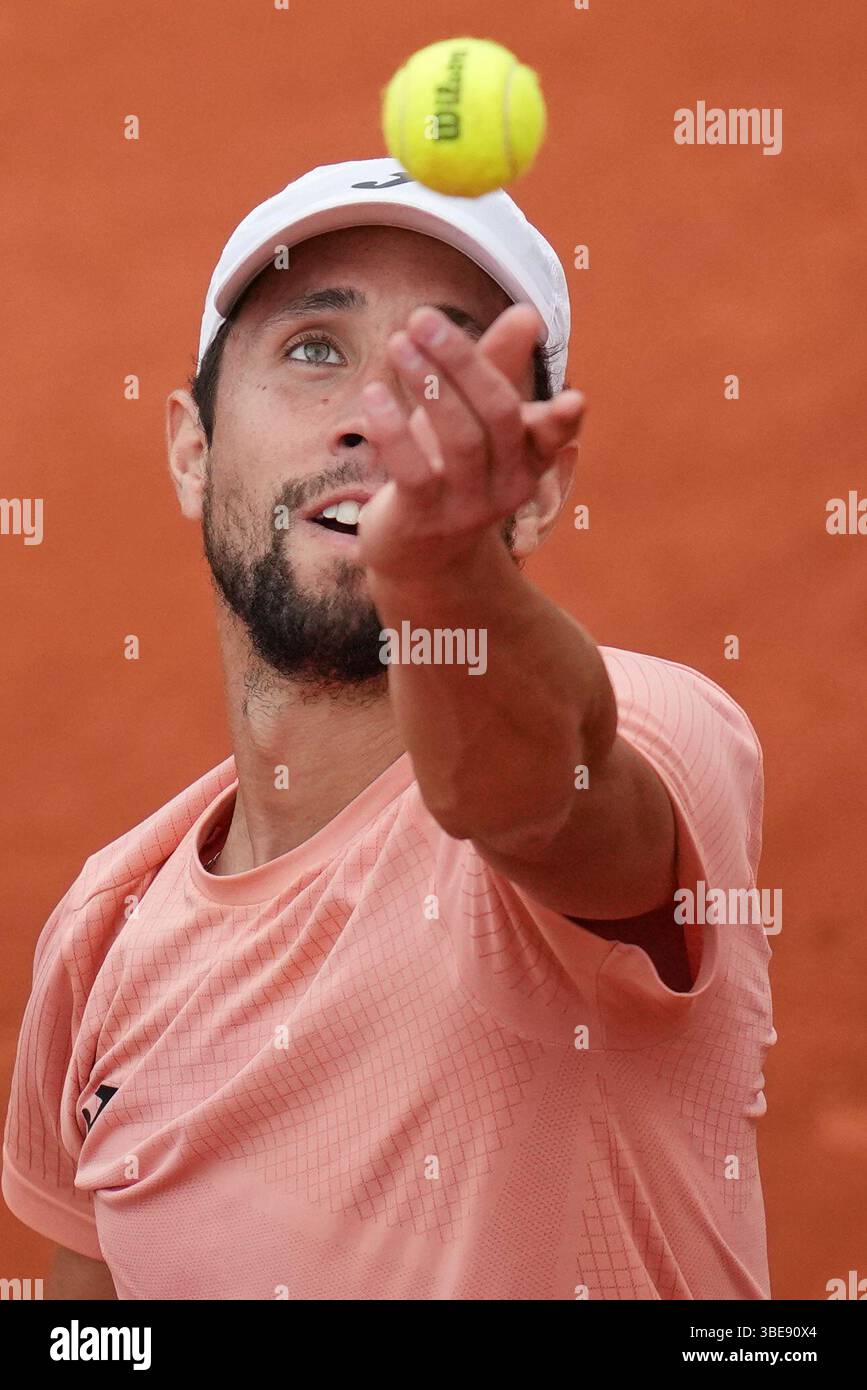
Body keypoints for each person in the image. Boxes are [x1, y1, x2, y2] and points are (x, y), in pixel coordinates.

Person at [1, 158, 775, 1300]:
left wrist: (440, 579)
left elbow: (525, 800)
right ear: (191, 446)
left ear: (541, 489)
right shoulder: (104, 938)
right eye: (315, 347)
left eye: (447, 371)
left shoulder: (661, 734)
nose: (376, 417)